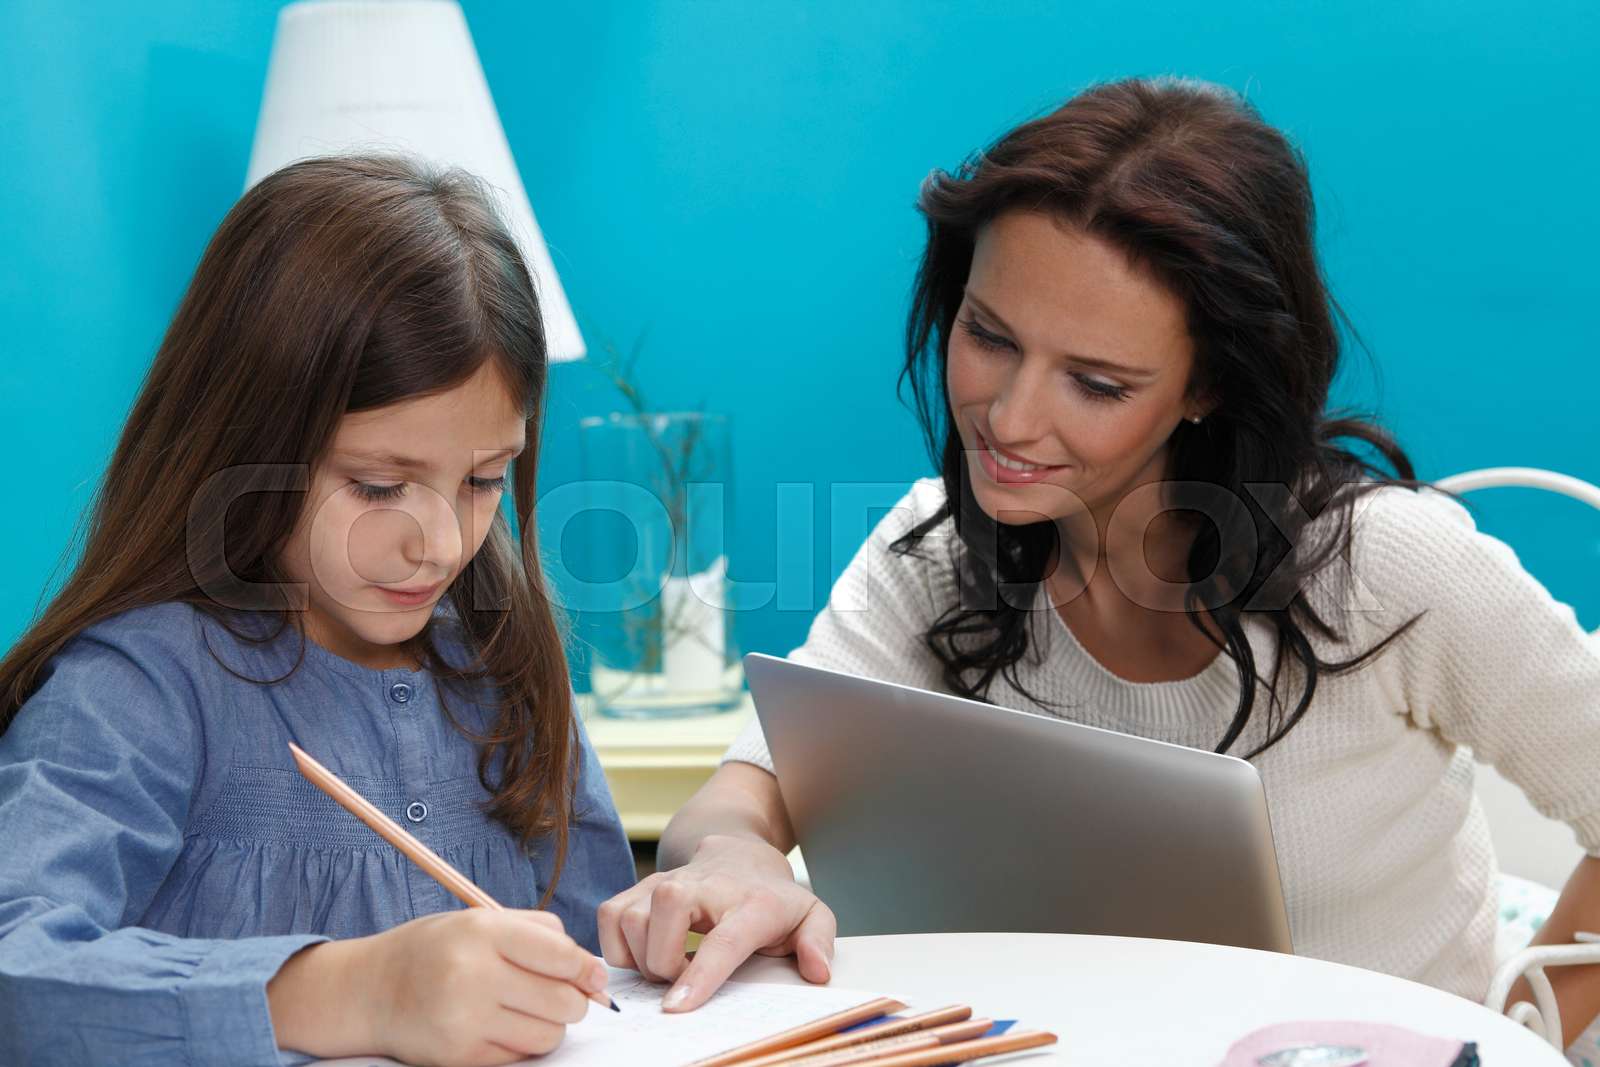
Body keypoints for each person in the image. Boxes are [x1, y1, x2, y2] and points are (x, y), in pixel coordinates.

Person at [598, 76, 1600, 1047]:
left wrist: (1521, 1031)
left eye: (1096, 381)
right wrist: (738, 857)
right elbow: (738, 795)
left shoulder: (1390, 571)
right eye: (988, 335)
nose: (1010, 417)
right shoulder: (935, 550)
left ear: (1206, 384)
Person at [0, 155, 636, 1067]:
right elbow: (15, 973)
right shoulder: (137, 691)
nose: (442, 544)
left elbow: (600, 990)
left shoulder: (509, 676)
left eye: (485, 479)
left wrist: (660, 934)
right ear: (246, 439)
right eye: (380, 486)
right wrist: (351, 991)